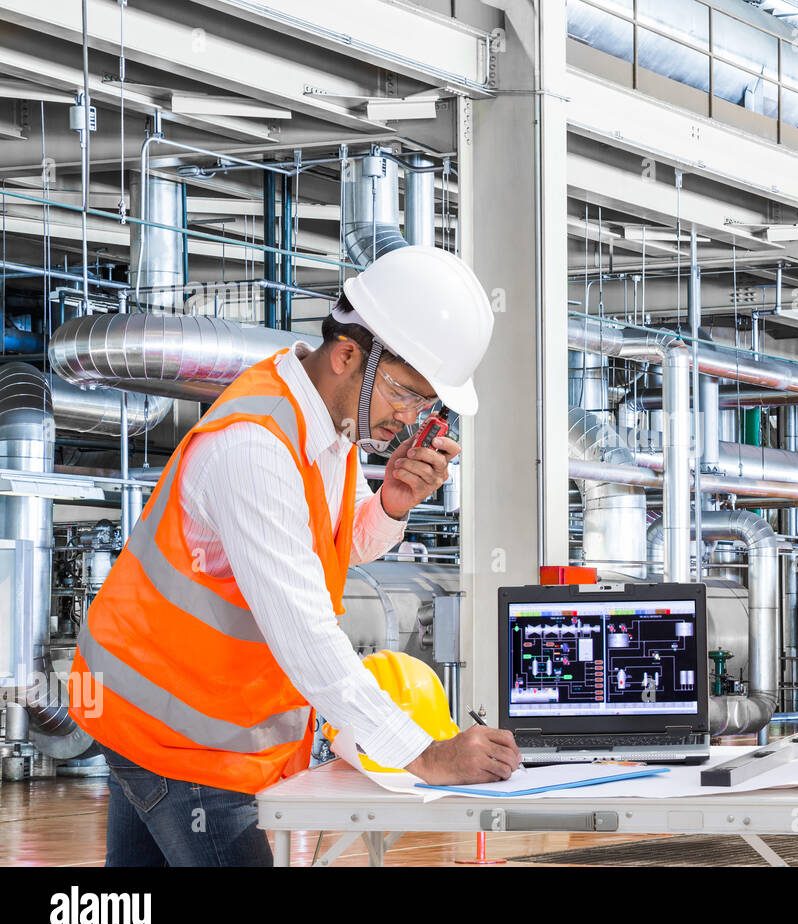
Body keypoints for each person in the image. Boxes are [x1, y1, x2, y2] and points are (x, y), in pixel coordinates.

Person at [68, 245, 520, 866]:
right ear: (347, 355)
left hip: (159, 715)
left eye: (426, 405)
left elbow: (332, 546)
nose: (412, 419)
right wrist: (425, 752)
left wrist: (392, 502)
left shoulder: (327, 428)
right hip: (188, 737)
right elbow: (305, 632)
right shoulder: (256, 448)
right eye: (407, 394)